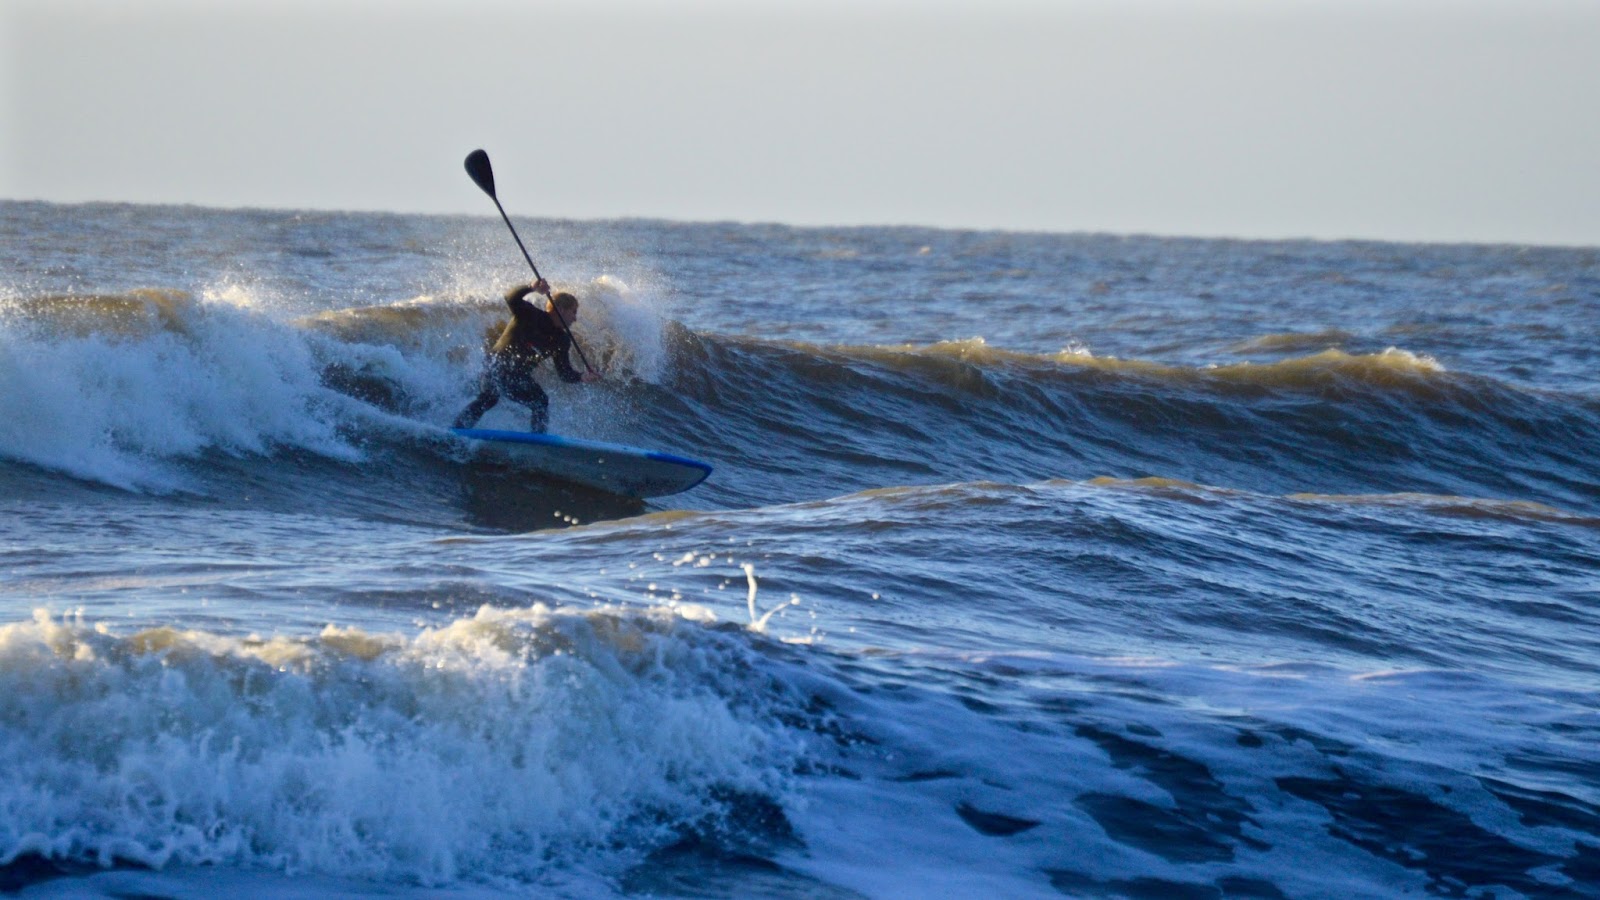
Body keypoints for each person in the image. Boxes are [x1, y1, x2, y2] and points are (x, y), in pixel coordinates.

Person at [453, 278, 599, 432]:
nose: (575, 318)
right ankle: (457, 430)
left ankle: (538, 439)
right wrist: (531, 287)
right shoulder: (530, 314)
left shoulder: (562, 339)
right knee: (489, 398)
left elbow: (564, 372)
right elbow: (510, 297)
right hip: (496, 365)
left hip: (519, 375)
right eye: (573, 312)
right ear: (561, 309)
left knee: (540, 400)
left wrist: (581, 377)